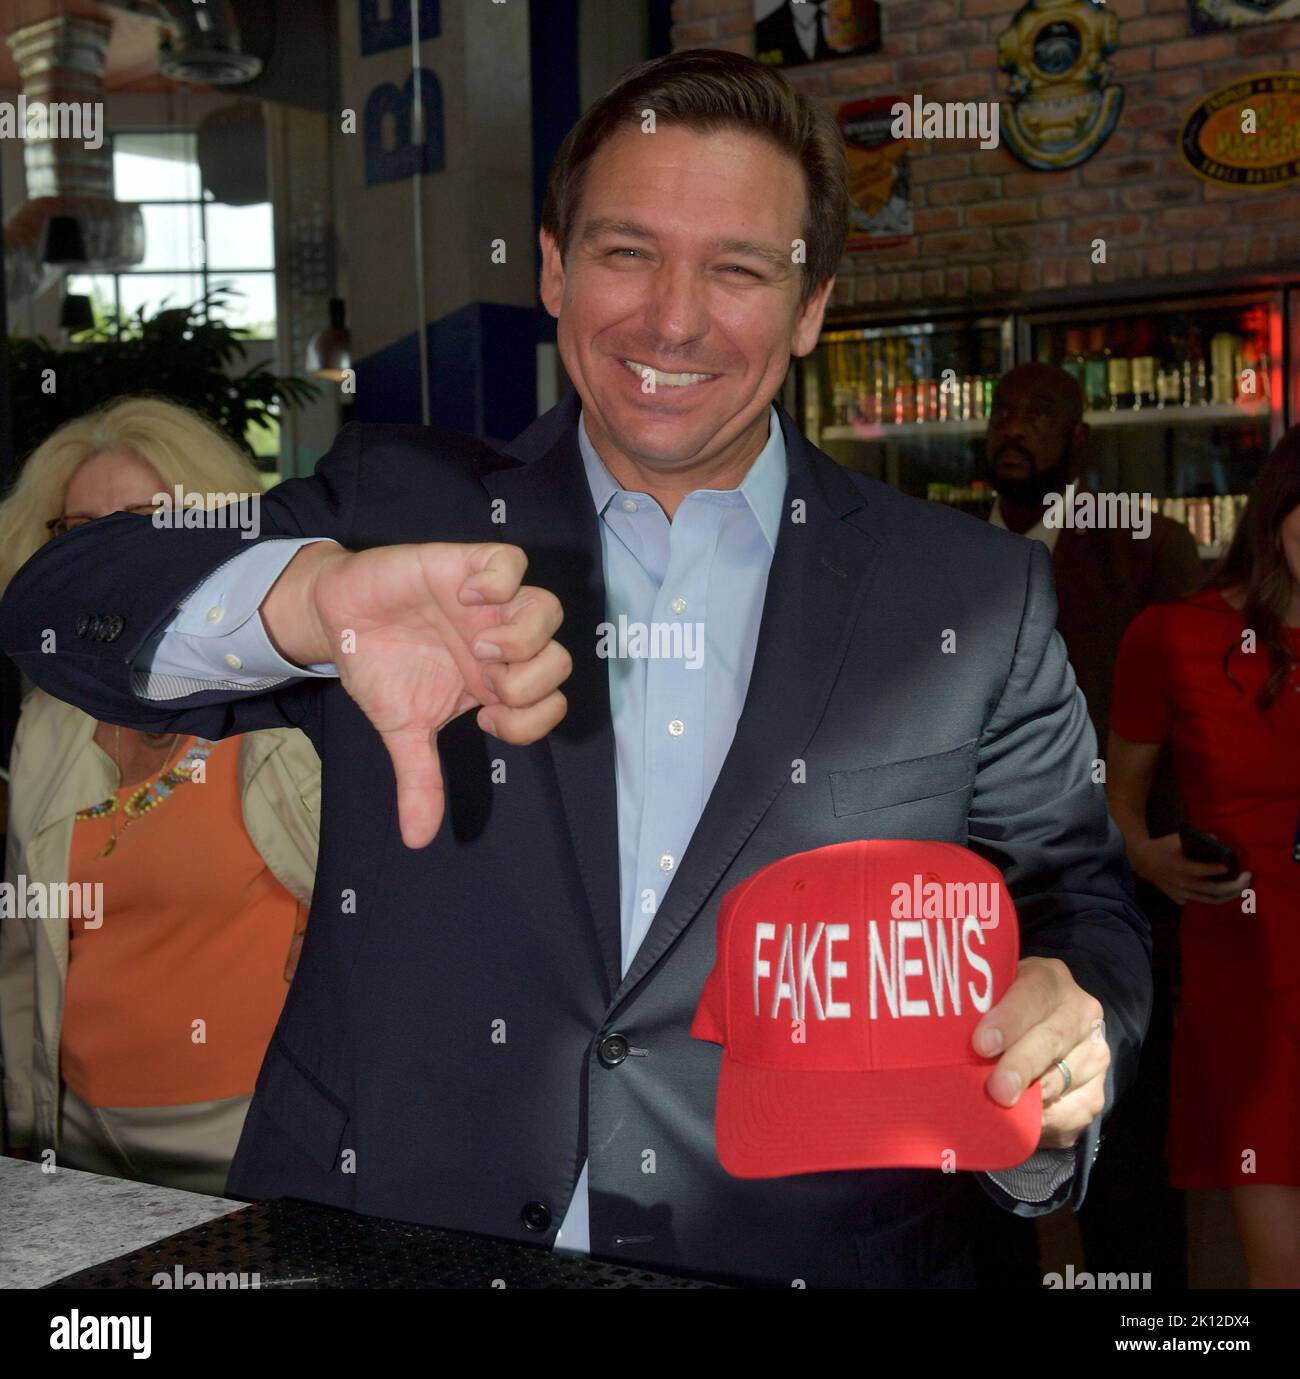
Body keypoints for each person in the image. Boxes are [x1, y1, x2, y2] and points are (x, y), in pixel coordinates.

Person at [0, 50, 1150, 1287]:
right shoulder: (400, 510)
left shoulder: (970, 594)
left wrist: (1072, 1028)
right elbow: (60, 606)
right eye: (626, 251)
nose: (671, 317)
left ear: (811, 305)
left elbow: (1078, 906)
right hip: (393, 1245)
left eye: (739, 269)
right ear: (552, 266)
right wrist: (309, 599)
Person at [0, 397, 322, 1196]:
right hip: (79, 1140)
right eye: (79, 533)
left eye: (146, 522)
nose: (113, 561)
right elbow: (24, 955)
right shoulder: (47, 725)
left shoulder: (295, 710)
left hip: (252, 1135)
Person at [985, 363, 1202, 1284]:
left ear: (1078, 440)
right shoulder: (942, 551)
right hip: (971, 900)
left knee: (1128, 1167)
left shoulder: (1147, 544)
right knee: (977, 1148)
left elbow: (1198, 719)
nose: (1013, 429)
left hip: (1121, 886)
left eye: (1038, 415)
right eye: (1003, 411)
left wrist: (1161, 849)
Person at [1107, 428, 1300, 1289]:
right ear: (1277, 513)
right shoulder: (1172, 635)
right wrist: (1148, 857)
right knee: (1281, 1265)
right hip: (1251, 978)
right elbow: (1114, 798)